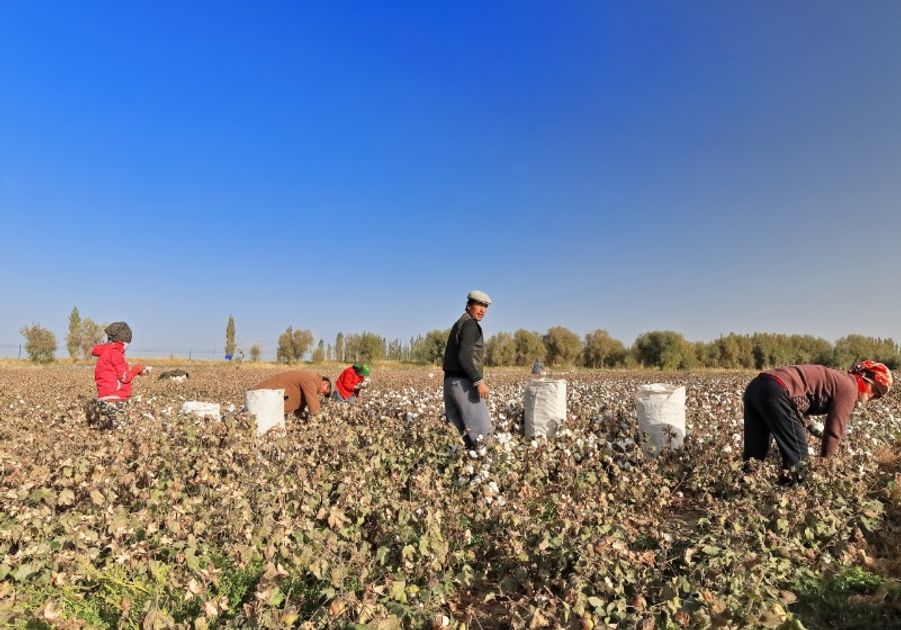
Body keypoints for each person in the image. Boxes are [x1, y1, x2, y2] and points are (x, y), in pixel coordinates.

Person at [742, 361, 893, 483]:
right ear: (865, 378)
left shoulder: (839, 379)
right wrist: (824, 465)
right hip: (777, 390)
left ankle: (743, 491)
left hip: (757, 386)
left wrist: (809, 425)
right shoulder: (850, 387)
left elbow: (799, 399)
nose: (873, 396)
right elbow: (834, 430)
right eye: (874, 390)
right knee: (799, 463)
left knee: (754, 453)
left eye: (877, 396)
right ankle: (788, 501)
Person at [442, 290, 492, 450]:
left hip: (449, 383)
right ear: (469, 305)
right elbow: (464, 356)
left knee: (456, 436)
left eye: (485, 306)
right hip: (463, 384)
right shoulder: (470, 324)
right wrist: (478, 381)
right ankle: (484, 470)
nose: (482, 310)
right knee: (482, 433)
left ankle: (450, 470)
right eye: (479, 305)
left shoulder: (459, 323)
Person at [87, 321, 150, 429]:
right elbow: (124, 378)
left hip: (104, 397)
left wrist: (137, 372)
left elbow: (112, 373)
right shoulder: (115, 353)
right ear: (123, 342)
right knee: (122, 431)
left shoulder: (105, 352)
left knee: (109, 430)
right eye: (128, 344)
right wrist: (136, 369)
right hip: (115, 398)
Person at [250, 370, 331, 418]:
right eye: (325, 392)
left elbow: (300, 404)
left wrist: (302, 417)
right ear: (325, 384)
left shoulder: (313, 382)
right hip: (262, 394)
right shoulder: (311, 380)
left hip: (266, 397)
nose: (322, 394)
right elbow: (314, 406)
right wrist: (320, 420)